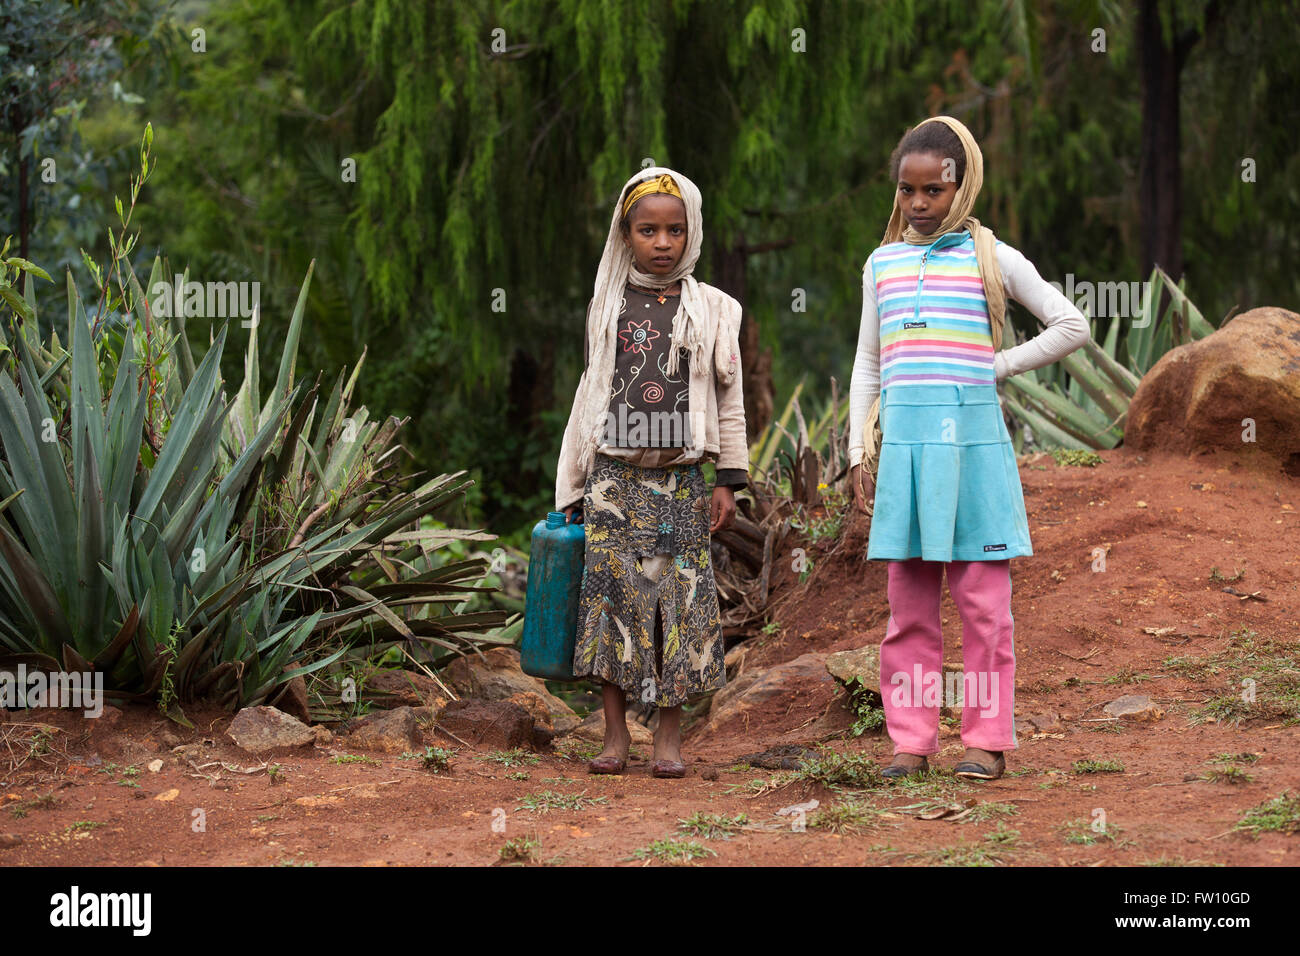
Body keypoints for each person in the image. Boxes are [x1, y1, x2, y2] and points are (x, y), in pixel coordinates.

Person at [847, 116, 1090, 781]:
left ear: (963, 185)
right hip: (905, 455)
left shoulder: (994, 258)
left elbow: (1073, 324)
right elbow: (868, 363)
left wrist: (999, 364)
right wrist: (854, 449)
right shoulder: (883, 263)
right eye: (908, 191)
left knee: (985, 610)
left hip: (975, 457)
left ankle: (985, 742)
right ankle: (911, 744)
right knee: (909, 613)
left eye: (934, 190)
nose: (920, 204)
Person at [555, 166, 749, 778]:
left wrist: (727, 478)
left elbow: (729, 398)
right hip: (614, 475)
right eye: (647, 230)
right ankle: (615, 738)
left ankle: (669, 738)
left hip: (683, 480)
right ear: (625, 234)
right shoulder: (608, 304)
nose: (661, 243)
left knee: (677, 602)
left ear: (690, 233)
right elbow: (589, 396)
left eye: (674, 230)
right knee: (611, 600)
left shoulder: (715, 309)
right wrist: (573, 484)